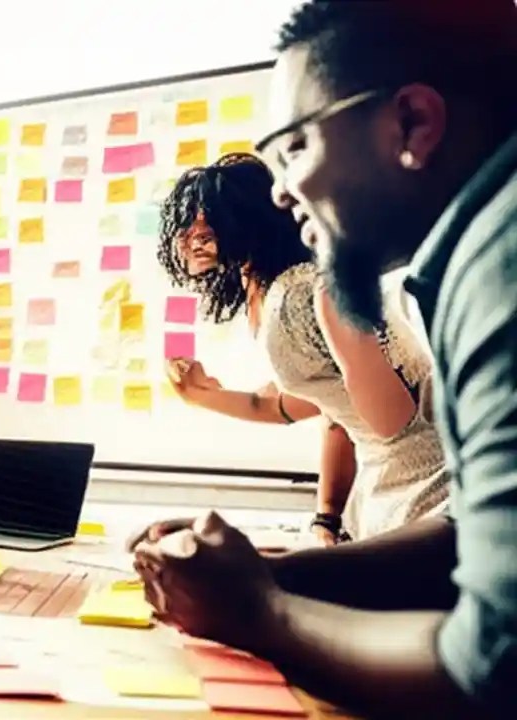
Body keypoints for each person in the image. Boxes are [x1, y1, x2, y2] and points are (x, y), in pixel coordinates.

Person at [131, 1, 517, 716]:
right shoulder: (466, 265)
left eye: (295, 147)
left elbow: (492, 667)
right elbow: (469, 534)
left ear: (414, 123)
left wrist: (257, 610)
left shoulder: (503, 266)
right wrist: (274, 574)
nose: (281, 191)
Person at [157, 153, 449, 542]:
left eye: (202, 222)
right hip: (388, 487)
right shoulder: (274, 293)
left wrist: (354, 346)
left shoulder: (299, 294)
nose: (191, 236)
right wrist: (200, 395)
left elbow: (388, 420)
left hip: (426, 489)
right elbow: (320, 404)